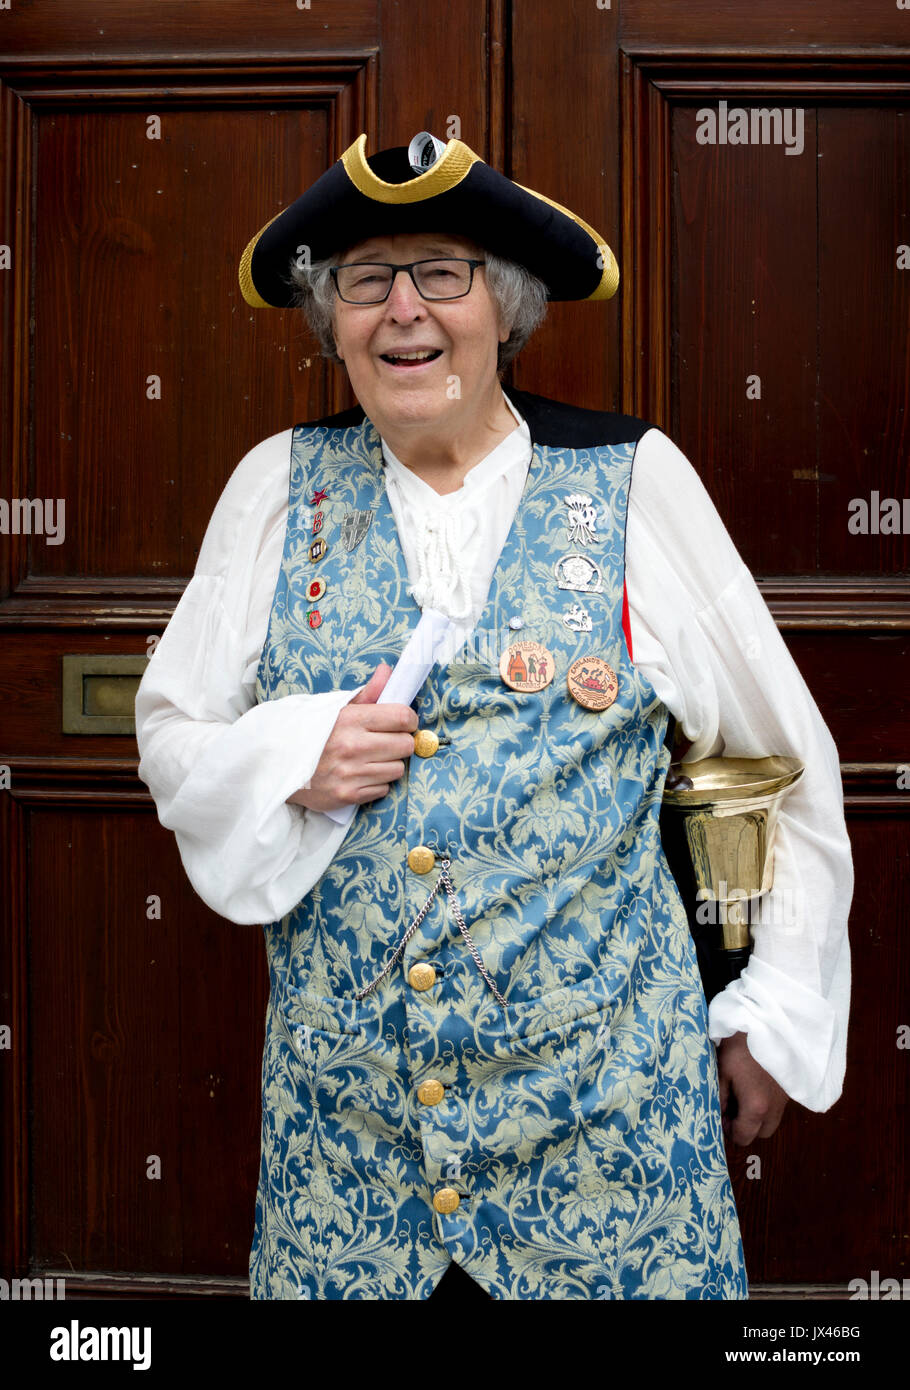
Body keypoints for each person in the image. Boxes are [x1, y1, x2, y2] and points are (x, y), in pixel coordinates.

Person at [135, 131, 853, 1301]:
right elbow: (171, 733)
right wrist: (292, 753)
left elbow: (775, 753)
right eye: (367, 280)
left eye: (440, 274)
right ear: (333, 320)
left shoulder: (635, 481)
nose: (403, 311)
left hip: (605, 1133)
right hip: (346, 1149)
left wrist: (771, 1006)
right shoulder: (277, 484)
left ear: (503, 309)